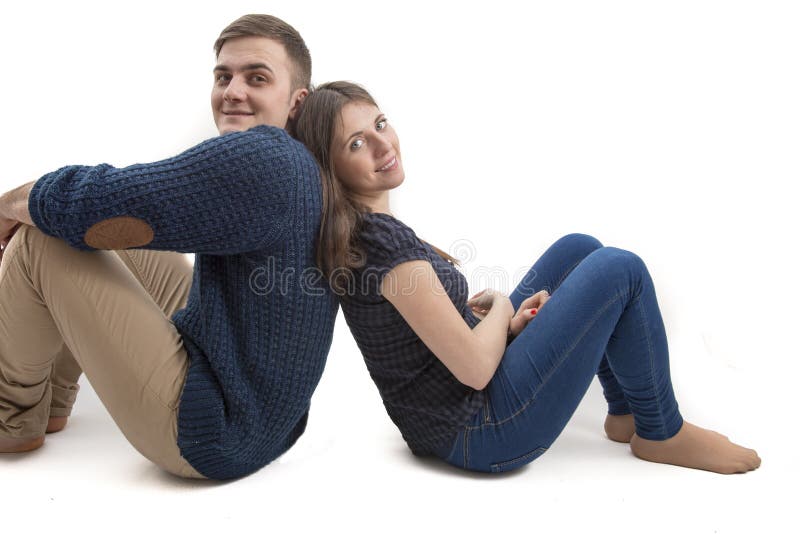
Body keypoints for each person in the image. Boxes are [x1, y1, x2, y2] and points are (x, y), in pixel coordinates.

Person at [293, 81, 761, 475]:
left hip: (457, 404)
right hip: (480, 430)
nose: (382, 144)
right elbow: (475, 370)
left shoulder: (371, 230)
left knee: (578, 249)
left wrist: (507, 326)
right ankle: (662, 431)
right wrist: (501, 311)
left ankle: (623, 413)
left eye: (379, 123)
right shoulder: (382, 248)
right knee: (621, 269)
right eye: (356, 143)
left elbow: (442, 349)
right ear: (330, 169)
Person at [0, 14, 338, 481]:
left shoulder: (263, 158)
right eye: (223, 76)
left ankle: (10, 415)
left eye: (256, 78)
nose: (232, 91)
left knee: (41, 239)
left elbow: (101, 200)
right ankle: (54, 399)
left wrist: (9, 204)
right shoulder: (307, 163)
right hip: (257, 406)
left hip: (214, 431)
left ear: (297, 102)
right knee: (100, 232)